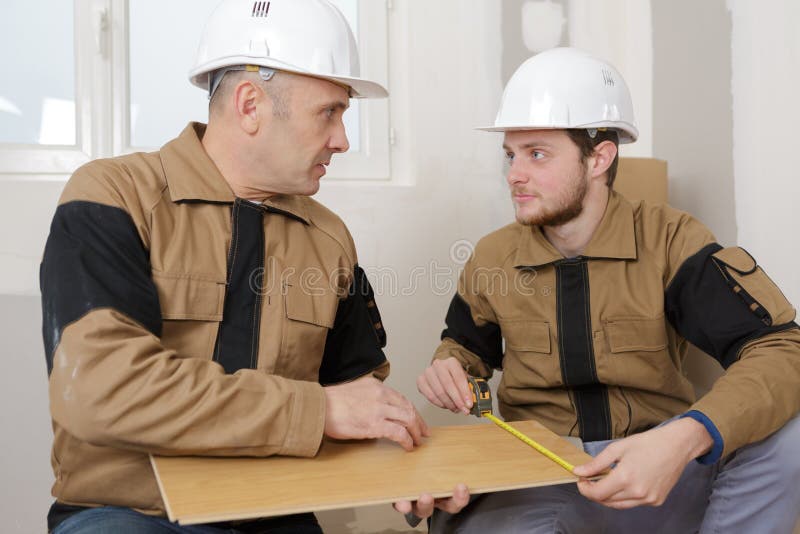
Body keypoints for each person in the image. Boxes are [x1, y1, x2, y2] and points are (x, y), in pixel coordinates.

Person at [41, 1, 461, 532]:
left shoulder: (328, 239)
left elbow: (358, 405)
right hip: (132, 513)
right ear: (250, 104)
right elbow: (100, 392)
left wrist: (406, 471)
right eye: (328, 112)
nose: (343, 139)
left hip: (274, 513)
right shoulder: (113, 198)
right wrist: (319, 412)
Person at [415, 47, 800, 532]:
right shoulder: (493, 257)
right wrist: (450, 369)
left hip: (658, 467)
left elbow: (783, 351)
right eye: (510, 154)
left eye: (537, 154)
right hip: (539, 474)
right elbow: (464, 350)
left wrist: (686, 436)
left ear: (599, 157)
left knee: (790, 436)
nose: (514, 174)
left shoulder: (672, 241)